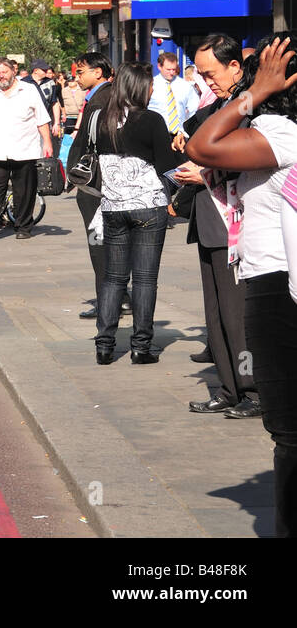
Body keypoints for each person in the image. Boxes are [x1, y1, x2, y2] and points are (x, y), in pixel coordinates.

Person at [187, 37, 297, 536]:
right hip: (275, 278)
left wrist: (253, 94)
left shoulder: (280, 130)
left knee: (288, 429)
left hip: (280, 288)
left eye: (253, 78)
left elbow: (203, 145)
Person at [170, 34, 257, 412]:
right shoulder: (220, 104)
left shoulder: (252, 106)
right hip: (209, 222)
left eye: (212, 73)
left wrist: (204, 169)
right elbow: (197, 129)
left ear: (235, 66)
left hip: (235, 223)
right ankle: (227, 387)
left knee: (238, 316)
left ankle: (252, 390)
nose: (207, 82)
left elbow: (249, 158)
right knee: (216, 312)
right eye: (202, 75)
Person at [93, 62, 185, 366]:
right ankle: (140, 347)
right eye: (149, 85)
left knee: (113, 278)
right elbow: (167, 168)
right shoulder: (152, 120)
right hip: (148, 207)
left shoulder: (100, 119)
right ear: (138, 88)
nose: (152, 89)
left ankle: (104, 346)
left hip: (113, 207)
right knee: (145, 279)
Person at [0, 57, 52, 240]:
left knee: (24, 190)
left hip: (24, 148)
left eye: (4, 72)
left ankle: (23, 226)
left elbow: (42, 118)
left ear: (14, 71)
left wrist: (47, 142)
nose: (1, 76)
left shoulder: (28, 90)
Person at [67, 52, 125, 320]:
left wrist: (72, 174)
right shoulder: (109, 96)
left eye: (81, 72)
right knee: (112, 242)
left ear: (98, 73)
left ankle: (107, 301)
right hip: (111, 182)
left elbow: (86, 143)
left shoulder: (99, 101)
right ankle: (120, 296)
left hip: (96, 185)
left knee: (98, 243)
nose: (77, 76)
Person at [147, 51, 197, 143]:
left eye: (174, 69)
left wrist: (187, 132)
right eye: (168, 69)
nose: (171, 73)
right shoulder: (150, 85)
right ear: (159, 66)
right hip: (155, 134)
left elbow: (194, 110)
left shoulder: (185, 86)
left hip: (179, 135)